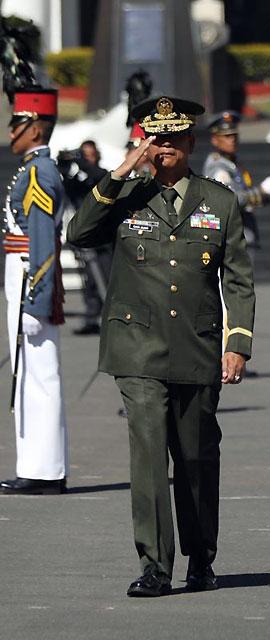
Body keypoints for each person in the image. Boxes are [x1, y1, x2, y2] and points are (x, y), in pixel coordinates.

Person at [67, 95, 255, 597]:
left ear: (190, 143)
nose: (163, 148)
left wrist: (237, 343)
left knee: (196, 458)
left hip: (196, 345)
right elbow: (79, 233)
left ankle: (200, 558)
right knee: (149, 455)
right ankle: (155, 564)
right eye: (155, 139)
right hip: (137, 347)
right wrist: (121, 170)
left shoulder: (218, 200)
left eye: (172, 139)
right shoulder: (126, 194)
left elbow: (238, 280)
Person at [0, 87, 68, 496]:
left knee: (39, 371)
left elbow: (42, 238)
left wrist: (37, 301)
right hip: (20, 271)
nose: (10, 130)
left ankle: (45, 471)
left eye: (17, 123)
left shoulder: (39, 172)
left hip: (29, 274)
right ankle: (37, 465)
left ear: (36, 128)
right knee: (29, 372)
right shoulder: (30, 168)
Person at [202, 110, 270, 257]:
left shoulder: (233, 164)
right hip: (229, 241)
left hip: (241, 238)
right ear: (215, 139)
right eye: (227, 136)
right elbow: (230, 200)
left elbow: (249, 201)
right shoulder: (218, 167)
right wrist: (263, 189)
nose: (232, 139)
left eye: (235, 135)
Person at [59, 139, 112, 335]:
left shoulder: (105, 176)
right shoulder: (81, 182)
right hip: (86, 241)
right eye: (84, 155)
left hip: (104, 240)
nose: (87, 159)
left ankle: (111, 320)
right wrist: (64, 169)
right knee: (89, 282)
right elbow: (68, 190)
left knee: (106, 280)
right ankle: (92, 318)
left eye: (89, 155)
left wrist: (82, 163)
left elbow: (99, 177)